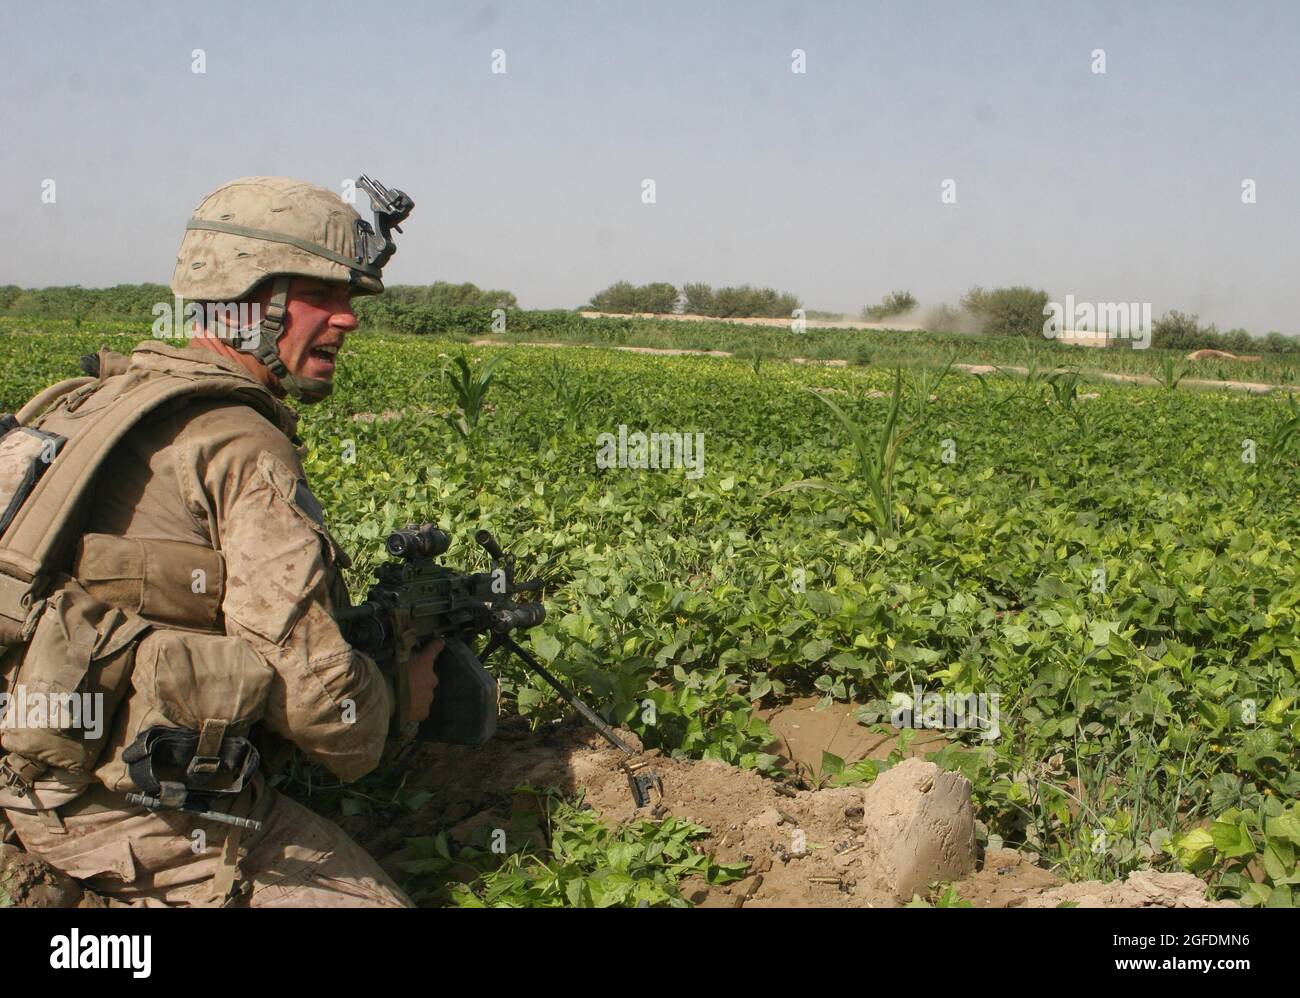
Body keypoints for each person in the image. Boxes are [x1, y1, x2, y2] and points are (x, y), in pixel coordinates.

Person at [0, 176, 437, 907]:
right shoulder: (239, 442)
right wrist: (400, 699)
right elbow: (322, 706)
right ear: (253, 295)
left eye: (350, 301)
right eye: (321, 296)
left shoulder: (91, 401)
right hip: (111, 811)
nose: (347, 321)